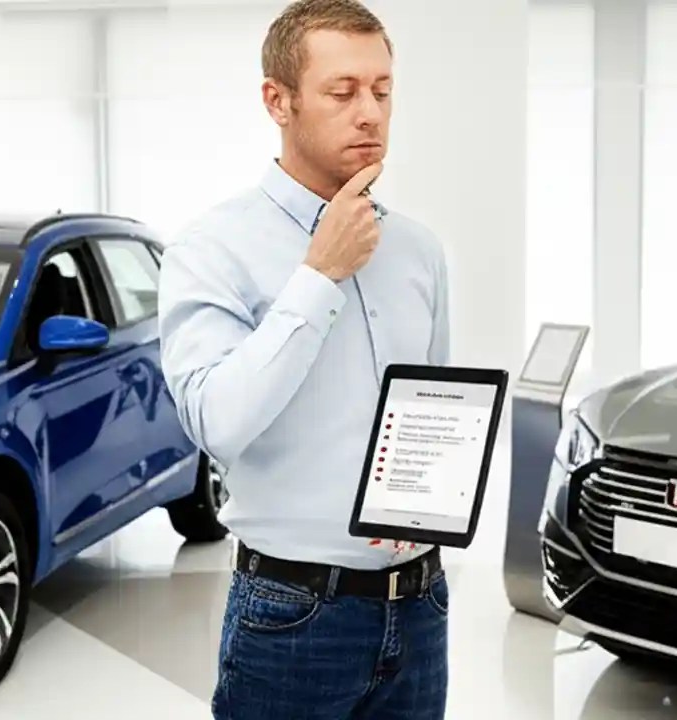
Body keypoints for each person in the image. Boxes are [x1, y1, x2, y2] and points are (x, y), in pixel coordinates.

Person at [158, 0, 452, 717]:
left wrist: (430, 503)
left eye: (383, 91)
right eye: (342, 92)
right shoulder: (210, 248)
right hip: (293, 615)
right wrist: (318, 276)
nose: (370, 114)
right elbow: (217, 424)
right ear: (278, 101)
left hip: (421, 608)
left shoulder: (418, 249)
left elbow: (433, 409)